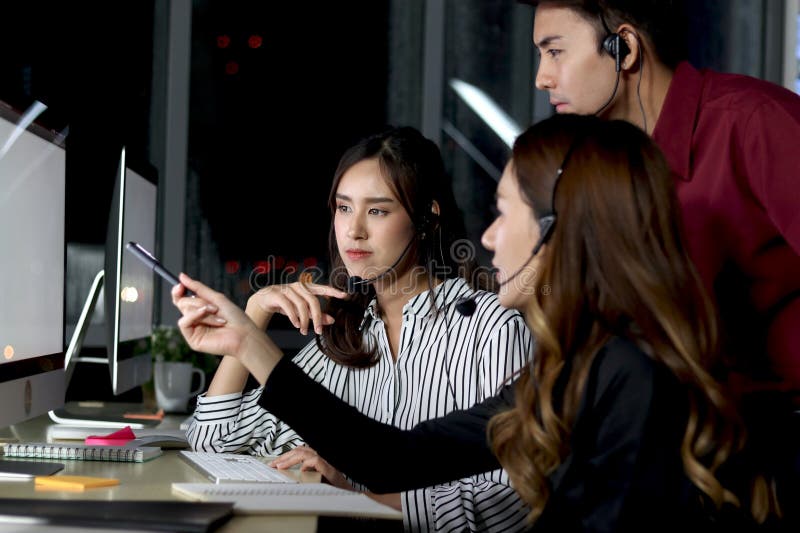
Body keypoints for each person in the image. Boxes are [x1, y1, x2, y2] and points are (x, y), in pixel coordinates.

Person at [172, 114, 779, 531]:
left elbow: (503, 499)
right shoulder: (575, 366)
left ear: (562, 231)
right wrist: (249, 336)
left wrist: (357, 493)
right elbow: (393, 458)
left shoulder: (628, 375)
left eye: (504, 213)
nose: (487, 237)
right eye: (343, 208)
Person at [186, 126, 534, 532]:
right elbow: (213, 440)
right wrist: (255, 314)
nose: (354, 230)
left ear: (426, 218)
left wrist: (358, 499)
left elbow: (513, 498)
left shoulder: (492, 329)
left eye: (378, 211)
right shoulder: (342, 335)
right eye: (344, 208)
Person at [518, 0, 800, 406]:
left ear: (624, 49)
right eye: (540, 55)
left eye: (555, 51)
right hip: (687, 420)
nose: (541, 79)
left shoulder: (757, 123)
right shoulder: (601, 167)